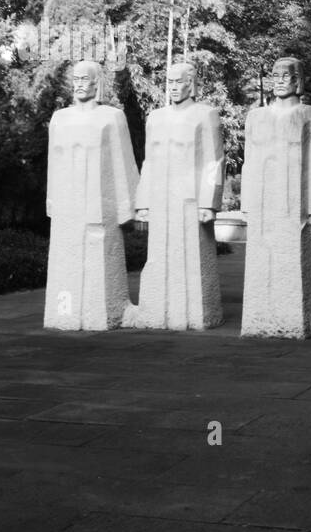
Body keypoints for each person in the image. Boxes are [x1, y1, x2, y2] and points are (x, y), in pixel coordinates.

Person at [44, 61, 139, 330]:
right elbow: (54, 162)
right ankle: (65, 314)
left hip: (98, 202)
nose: (79, 83)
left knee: (98, 257)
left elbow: (123, 163)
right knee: (66, 258)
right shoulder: (59, 119)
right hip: (67, 202)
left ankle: (101, 314)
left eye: (85, 78)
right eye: (76, 78)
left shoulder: (111, 117)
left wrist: (127, 206)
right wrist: (51, 199)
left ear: (97, 83)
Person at [240, 57, 311, 338]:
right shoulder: (256, 116)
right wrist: (246, 203)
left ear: (297, 80)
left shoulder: (310, 115)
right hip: (264, 200)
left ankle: (301, 318)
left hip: (296, 203)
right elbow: (249, 162)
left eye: (285, 75)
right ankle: (260, 317)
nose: (279, 80)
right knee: (262, 257)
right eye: (275, 75)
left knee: (295, 260)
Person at [132, 63, 224, 330]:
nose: (172, 87)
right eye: (168, 82)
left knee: (192, 257)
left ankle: (195, 314)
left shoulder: (205, 115)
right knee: (160, 257)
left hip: (191, 200)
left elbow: (213, 160)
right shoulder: (155, 118)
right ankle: (158, 313)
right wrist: (144, 201)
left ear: (191, 83)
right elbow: (148, 161)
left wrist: (209, 201)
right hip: (161, 199)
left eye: (178, 81)